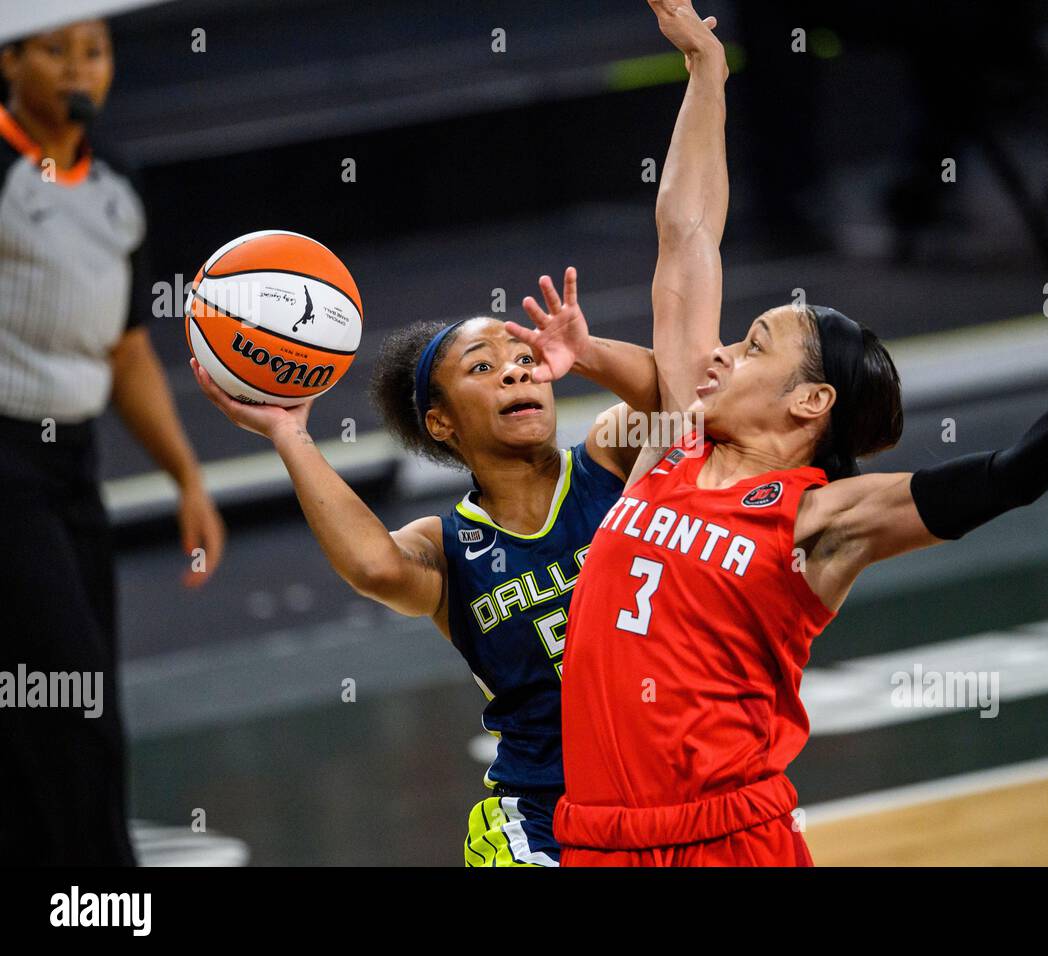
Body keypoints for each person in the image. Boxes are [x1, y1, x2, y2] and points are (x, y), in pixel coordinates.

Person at [549, 0, 1048, 866]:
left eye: (750, 348)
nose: (714, 353)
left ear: (809, 404)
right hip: (594, 838)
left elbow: (1012, 474)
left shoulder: (820, 520)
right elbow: (685, 236)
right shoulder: (672, 441)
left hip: (723, 843)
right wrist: (707, 72)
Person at [191, 268, 660, 866]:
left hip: (668, 792)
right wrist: (289, 433)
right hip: (547, 819)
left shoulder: (612, 456)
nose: (515, 370)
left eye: (523, 356)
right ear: (441, 423)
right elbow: (373, 567)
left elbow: (685, 396)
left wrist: (590, 353)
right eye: (482, 367)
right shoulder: (445, 546)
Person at [0, 19, 226, 866]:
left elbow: (128, 348)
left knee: (70, 693)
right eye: (55, 50)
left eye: (94, 50)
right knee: (65, 695)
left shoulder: (118, 179)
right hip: (4, 463)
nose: (79, 68)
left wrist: (186, 477)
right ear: (10, 59)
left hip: (72, 462)